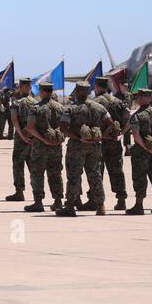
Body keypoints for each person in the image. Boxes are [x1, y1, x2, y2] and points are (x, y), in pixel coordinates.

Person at [57, 81, 111, 216]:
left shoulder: (71, 108)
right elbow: (111, 124)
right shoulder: (99, 107)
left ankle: (70, 206)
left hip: (77, 147)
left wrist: (77, 137)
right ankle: (100, 206)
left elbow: (63, 127)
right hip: (94, 146)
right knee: (95, 176)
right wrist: (100, 137)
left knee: (74, 176)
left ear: (77, 91)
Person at [23, 81, 64, 213]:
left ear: (42, 92)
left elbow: (30, 127)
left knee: (37, 174)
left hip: (40, 147)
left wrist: (42, 139)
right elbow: (65, 126)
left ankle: (38, 202)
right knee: (55, 174)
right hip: (56, 146)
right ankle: (58, 201)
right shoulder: (60, 107)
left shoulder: (36, 108)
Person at [126, 87, 152, 215]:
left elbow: (136, 134)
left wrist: (145, 147)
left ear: (140, 98)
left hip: (141, 152)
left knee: (139, 177)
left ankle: (139, 206)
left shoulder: (137, 116)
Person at [91, 76, 129, 210]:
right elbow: (129, 119)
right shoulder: (118, 101)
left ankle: (95, 201)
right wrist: (121, 133)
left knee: (96, 172)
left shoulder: (95, 102)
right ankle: (121, 200)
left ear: (97, 87)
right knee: (117, 171)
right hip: (115, 142)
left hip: (99, 142)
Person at [4, 78, 34, 202]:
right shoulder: (36, 102)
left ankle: (19, 192)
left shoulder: (16, 103)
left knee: (18, 165)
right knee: (34, 166)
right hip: (34, 138)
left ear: (21, 87)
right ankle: (38, 193)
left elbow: (15, 121)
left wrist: (22, 136)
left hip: (21, 139)